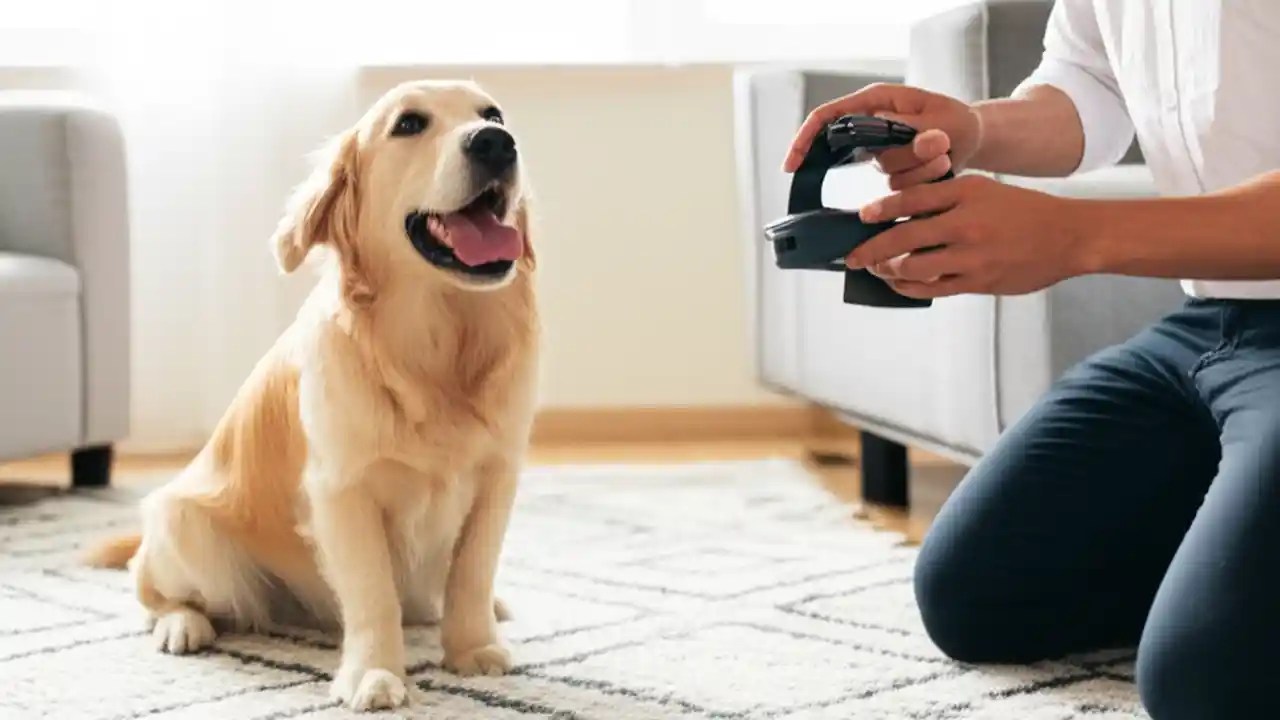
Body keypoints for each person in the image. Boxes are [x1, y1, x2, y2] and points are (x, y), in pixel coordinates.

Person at [783, 3, 1280, 719]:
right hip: (1209, 321)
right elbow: (1088, 84)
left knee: (1208, 683)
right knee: (979, 597)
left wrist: (1076, 236)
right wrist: (972, 129)